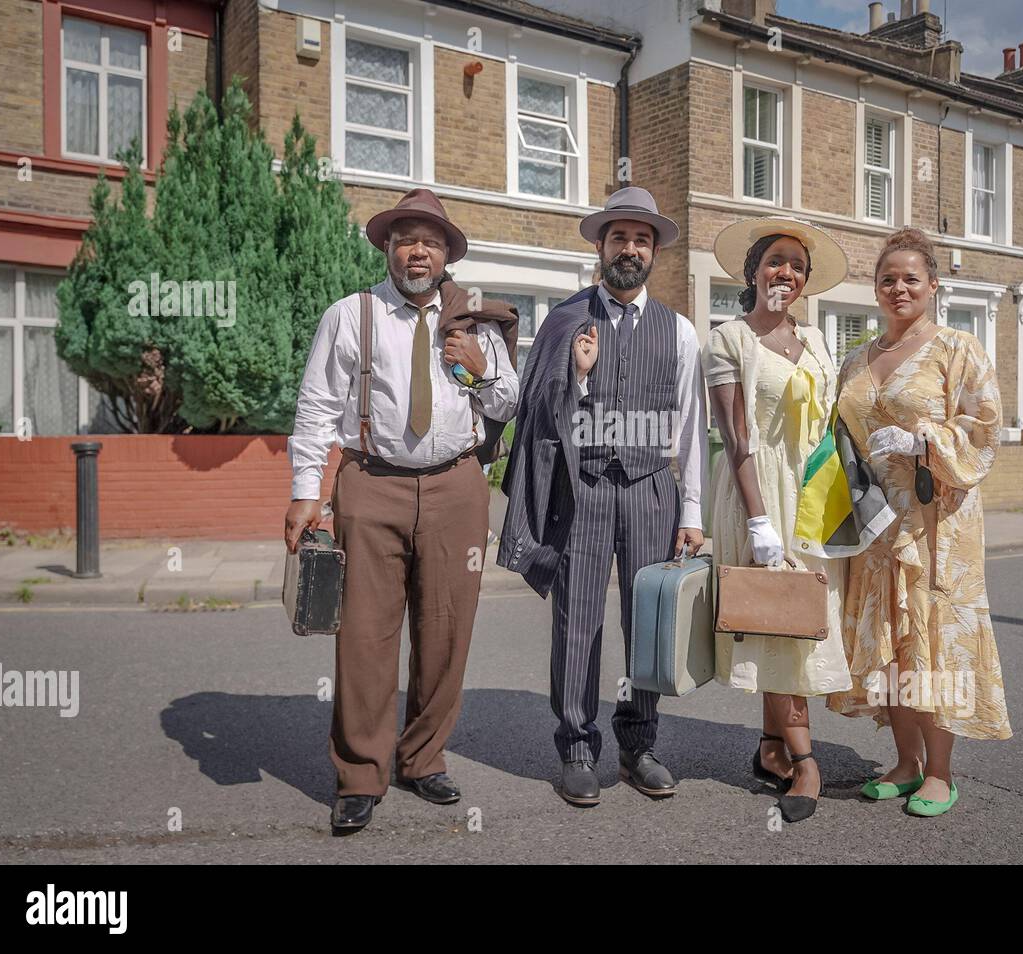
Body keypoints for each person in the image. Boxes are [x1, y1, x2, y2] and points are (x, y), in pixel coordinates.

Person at [285, 189, 520, 833]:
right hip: (370, 481)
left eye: (431, 241)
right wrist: (308, 489)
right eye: (406, 238)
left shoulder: (477, 322)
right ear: (388, 248)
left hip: (457, 486)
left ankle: (423, 758)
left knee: (447, 631)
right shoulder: (351, 315)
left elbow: (507, 403)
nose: (418, 250)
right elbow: (315, 408)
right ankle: (361, 773)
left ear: (446, 255)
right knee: (364, 634)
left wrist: (477, 370)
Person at [498, 186, 706, 807]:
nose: (631, 249)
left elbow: (691, 427)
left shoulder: (680, 332)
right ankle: (577, 749)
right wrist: (579, 377)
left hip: (649, 489)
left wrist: (691, 512)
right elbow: (536, 414)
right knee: (577, 620)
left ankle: (639, 745)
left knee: (648, 622)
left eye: (642, 240)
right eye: (619, 237)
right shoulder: (565, 320)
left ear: (654, 253)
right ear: (600, 245)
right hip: (583, 490)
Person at [827, 227, 1011, 817]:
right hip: (876, 523)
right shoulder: (858, 358)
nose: (898, 287)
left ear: (933, 285)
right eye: (887, 279)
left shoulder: (958, 348)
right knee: (893, 645)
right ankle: (905, 763)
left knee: (933, 641)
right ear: (875, 289)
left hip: (937, 524)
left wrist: (922, 438)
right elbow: (839, 437)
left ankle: (940, 773)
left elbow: (985, 428)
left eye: (911, 278)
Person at [704, 217, 851, 823]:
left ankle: (771, 748)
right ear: (752, 271)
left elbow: (827, 425)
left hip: (813, 496)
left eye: (796, 264)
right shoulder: (726, 340)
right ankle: (806, 760)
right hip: (756, 494)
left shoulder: (817, 341)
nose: (784, 272)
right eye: (774, 261)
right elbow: (736, 439)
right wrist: (761, 524)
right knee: (783, 626)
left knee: (794, 622)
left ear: (806, 280)